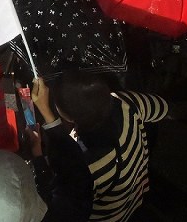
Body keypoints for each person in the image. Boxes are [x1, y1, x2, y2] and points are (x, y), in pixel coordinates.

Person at [33, 72, 169, 222]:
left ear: (70, 118)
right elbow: (162, 107)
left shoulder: (86, 163)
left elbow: (63, 206)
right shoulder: (125, 103)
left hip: (106, 217)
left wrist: (38, 156)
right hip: (136, 195)